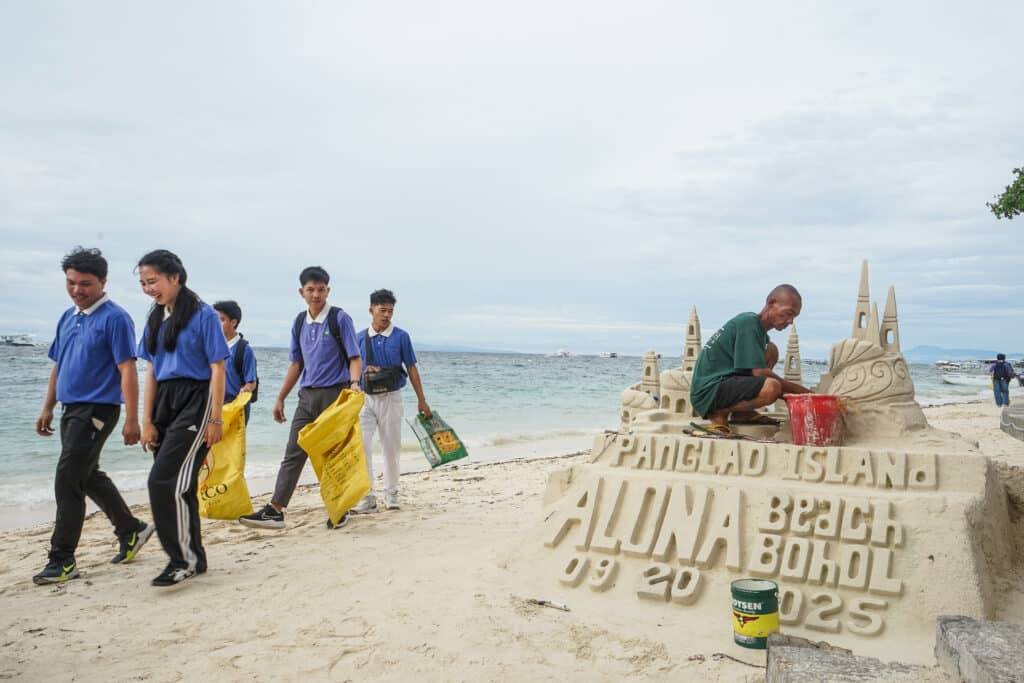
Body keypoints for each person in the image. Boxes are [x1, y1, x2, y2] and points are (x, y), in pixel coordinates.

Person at [32, 247, 155, 585]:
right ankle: (131, 529)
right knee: (87, 476)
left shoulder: (115, 318)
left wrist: (133, 419)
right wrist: (47, 406)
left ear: (103, 281)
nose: (77, 290)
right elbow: (60, 364)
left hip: (98, 410)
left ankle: (62, 559)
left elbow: (127, 369)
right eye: (71, 283)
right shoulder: (67, 317)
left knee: (67, 479)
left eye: (85, 284)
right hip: (72, 409)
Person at [239, 266, 361, 530]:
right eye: (310, 290)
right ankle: (275, 510)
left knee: (333, 455)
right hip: (306, 397)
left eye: (320, 289)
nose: (316, 294)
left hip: (335, 395)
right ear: (301, 292)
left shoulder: (340, 319)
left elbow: (354, 357)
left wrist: (354, 385)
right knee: (294, 452)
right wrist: (280, 398)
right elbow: (296, 363)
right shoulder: (298, 322)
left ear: (328, 290)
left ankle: (340, 508)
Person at [137, 250, 229, 587]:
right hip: (165, 401)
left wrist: (215, 420)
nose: (149, 289)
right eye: (143, 283)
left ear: (174, 277)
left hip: (196, 399)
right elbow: (150, 370)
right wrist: (146, 420)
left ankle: (182, 560)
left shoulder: (203, 315)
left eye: (153, 281)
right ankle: (193, 558)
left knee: (163, 481)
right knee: (181, 486)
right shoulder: (155, 317)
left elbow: (217, 366)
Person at [690, 284, 812, 434]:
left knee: (771, 350)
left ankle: (741, 413)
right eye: (788, 313)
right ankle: (717, 412)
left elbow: (749, 370)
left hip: (724, 383)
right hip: (708, 390)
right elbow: (760, 373)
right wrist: (802, 394)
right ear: (771, 302)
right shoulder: (748, 322)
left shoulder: (761, 334)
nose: (791, 321)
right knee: (772, 388)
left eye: (794, 316)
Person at [351, 289, 431, 514]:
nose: (386, 315)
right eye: (382, 310)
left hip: (391, 397)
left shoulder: (401, 336)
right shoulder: (358, 337)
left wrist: (421, 400)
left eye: (390, 311)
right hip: (364, 399)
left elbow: (412, 368)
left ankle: (391, 493)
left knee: (391, 447)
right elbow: (350, 368)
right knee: (361, 446)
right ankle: (367, 497)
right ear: (371, 310)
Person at [213, 300, 258, 423]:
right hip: (213, 406)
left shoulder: (244, 349)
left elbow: (251, 382)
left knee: (233, 443)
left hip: (236, 407)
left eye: (221, 320)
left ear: (233, 322)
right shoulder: (211, 347)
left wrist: (245, 390)